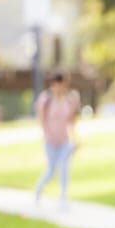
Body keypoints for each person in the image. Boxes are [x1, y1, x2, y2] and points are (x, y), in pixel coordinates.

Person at [34, 70, 80, 209]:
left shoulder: (70, 100)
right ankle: (39, 189)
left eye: (61, 84)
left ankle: (63, 198)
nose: (59, 87)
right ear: (52, 85)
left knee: (64, 168)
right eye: (56, 84)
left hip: (65, 140)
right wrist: (45, 135)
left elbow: (72, 121)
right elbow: (41, 119)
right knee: (51, 170)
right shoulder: (45, 99)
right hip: (50, 141)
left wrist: (75, 139)